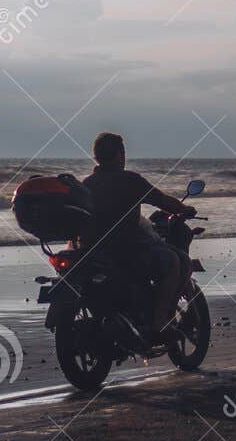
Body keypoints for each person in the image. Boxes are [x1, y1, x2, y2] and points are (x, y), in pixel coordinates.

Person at [81, 132, 195, 342]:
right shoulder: (129, 180)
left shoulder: (86, 184)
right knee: (175, 261)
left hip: (92, 250)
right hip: (127, 249)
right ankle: (160, 321)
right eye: (122, 152)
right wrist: (184, 208)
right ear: (119, 155)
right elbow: (161, 200)